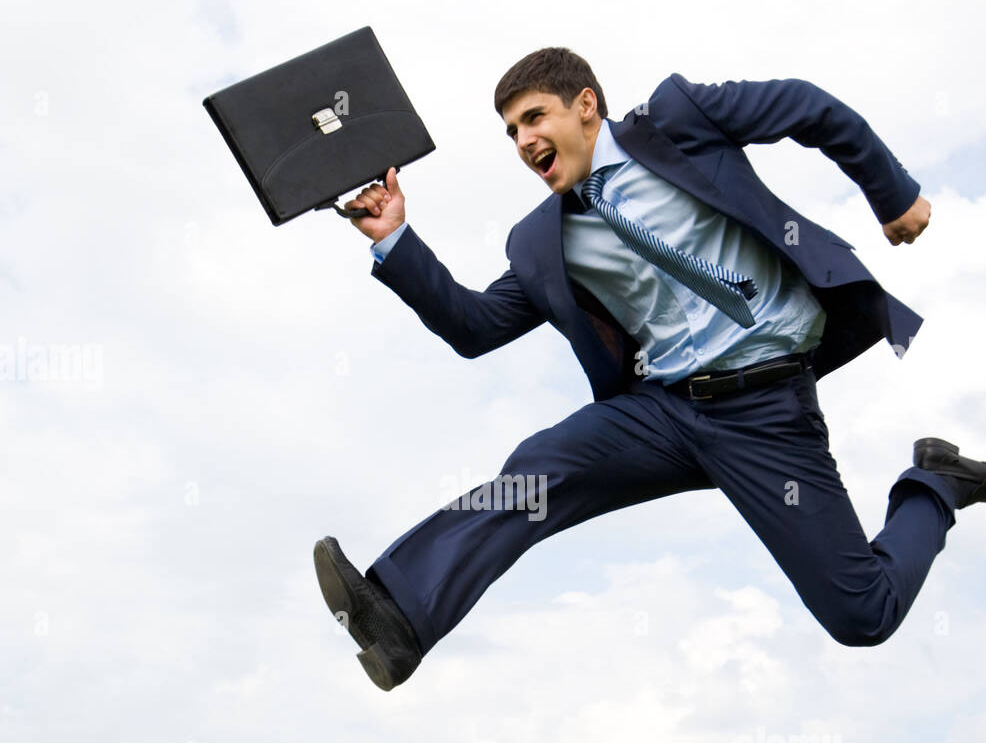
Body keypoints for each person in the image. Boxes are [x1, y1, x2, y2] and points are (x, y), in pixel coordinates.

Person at [313, 48, 986, 691]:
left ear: (585, 105)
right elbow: (475, 326)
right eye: (511, 131)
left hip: (765, 410)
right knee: (537, 471)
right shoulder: (542, 241)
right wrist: (395, 238)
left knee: (861, 614)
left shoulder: (681, 119)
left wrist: (891, 193)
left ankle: (937, 484)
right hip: (663, 415)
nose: (523, 140)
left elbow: (808, 108)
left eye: (534, 117)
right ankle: (399, 615)